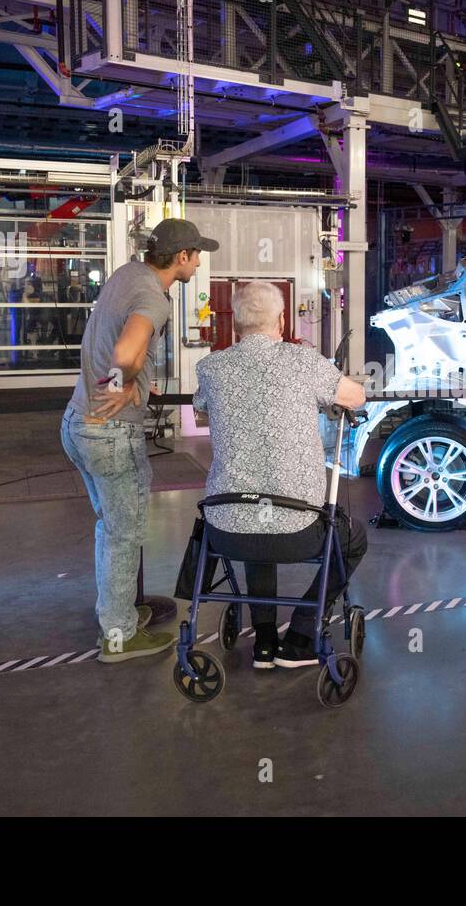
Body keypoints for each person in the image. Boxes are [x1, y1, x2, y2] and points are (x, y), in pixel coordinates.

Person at [62, 218, 219, 663]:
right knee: (124, 535)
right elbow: (125, 353)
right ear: (182, 257)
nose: (199, 261)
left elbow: (107, 338)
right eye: (197, 254)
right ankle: (119, 636)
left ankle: (123, 610)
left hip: (77, 422)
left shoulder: (129, 274)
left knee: (110, 528)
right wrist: (118, 383)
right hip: (109, 433)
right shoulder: (153, 296)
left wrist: (135, 381)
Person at [193, 280, 368, 670]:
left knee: (253, 516)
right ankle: (302, 635)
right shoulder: (304, 363)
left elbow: (201, 411)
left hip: (226, 528)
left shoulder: (211, 367)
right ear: (283, 319)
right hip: (298, 531)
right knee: (353, 536)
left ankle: (265, 643)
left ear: (235, 323)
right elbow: (356, 397)